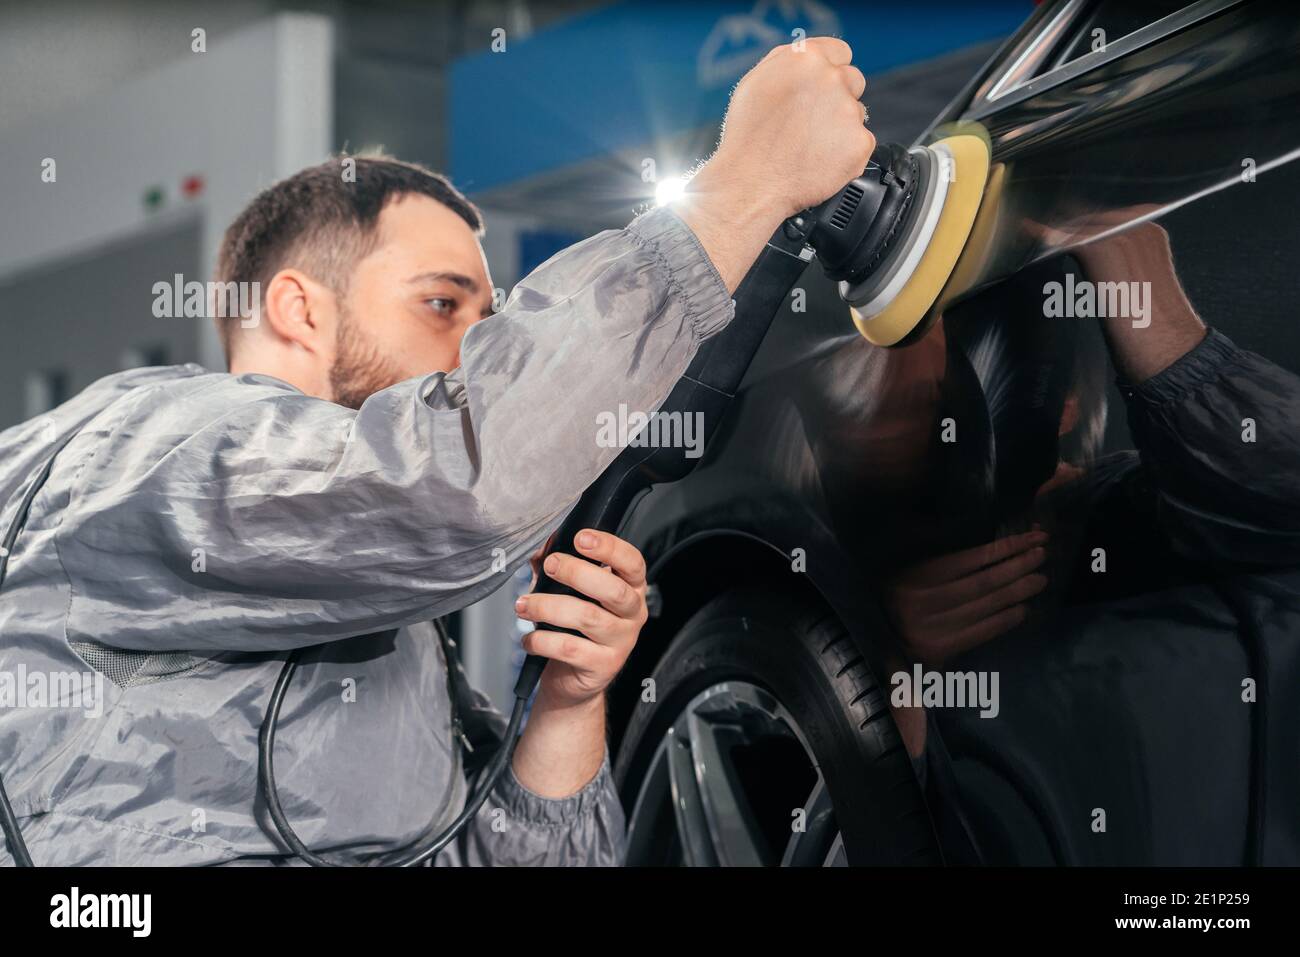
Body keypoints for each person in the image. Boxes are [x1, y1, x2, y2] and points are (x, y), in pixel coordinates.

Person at [0, 38, 876, 865]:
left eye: (487, 321)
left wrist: (567, 705)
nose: (472, 352)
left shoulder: (394, 622)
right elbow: (464, 479)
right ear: (300, 310)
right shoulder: (156, 443)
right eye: (441, 305)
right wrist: (746, 186)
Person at [883, 220, 1300, 864]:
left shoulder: (1170, 517)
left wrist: (1179, 356)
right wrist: (891, 679)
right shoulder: (855, 582)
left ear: (1056, 406)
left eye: (929, 396)